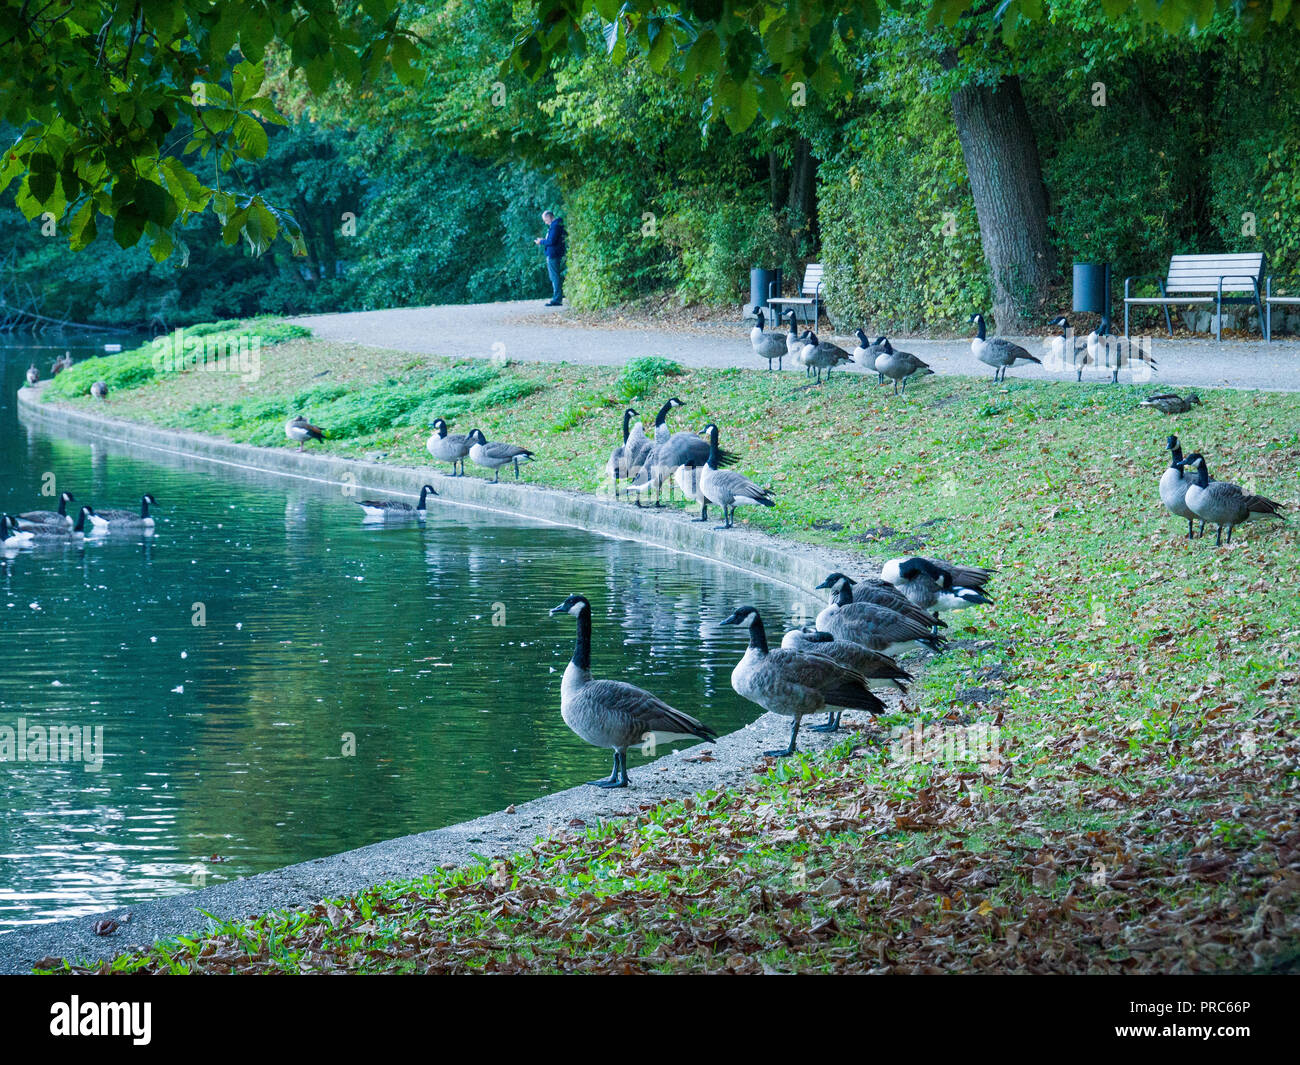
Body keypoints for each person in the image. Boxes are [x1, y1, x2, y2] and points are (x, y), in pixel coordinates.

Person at [533, 210, 566, 306]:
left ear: (549, 217)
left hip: (553, 254)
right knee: (554, 276)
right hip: (554, 253)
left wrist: (541, 242)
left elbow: (551, 241)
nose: (545, 222)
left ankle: (557, 299)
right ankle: (557, 298)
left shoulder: (555, 226)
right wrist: (544, 240)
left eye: (545, 220)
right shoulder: (557, 225)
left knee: (554, 277)